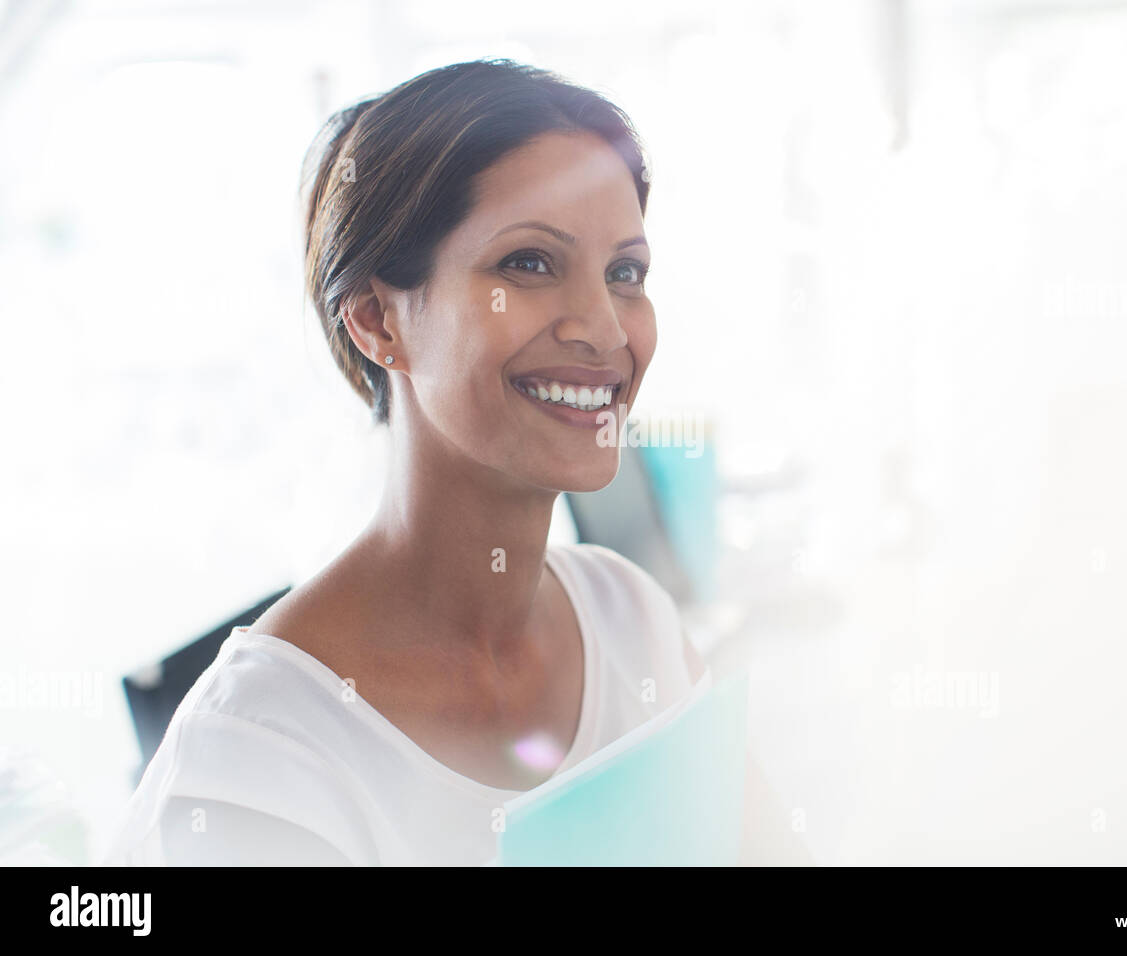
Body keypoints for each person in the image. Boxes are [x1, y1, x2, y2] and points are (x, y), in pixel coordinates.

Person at [102, 59, 807, 865]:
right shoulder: (253, 770)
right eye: (530, 263)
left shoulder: (633, 620)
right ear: (376, 320)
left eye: (625, 274)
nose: (606, 330)